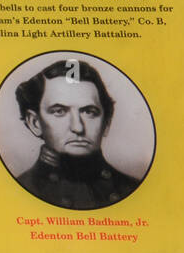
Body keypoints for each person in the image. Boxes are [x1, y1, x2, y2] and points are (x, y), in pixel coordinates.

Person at [12, 59, 142, 209]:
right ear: (35, 123)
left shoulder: (133, 190)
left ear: (106, 124)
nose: (78, 127)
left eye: (89, 112)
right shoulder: (16, 193)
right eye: (59, 111)